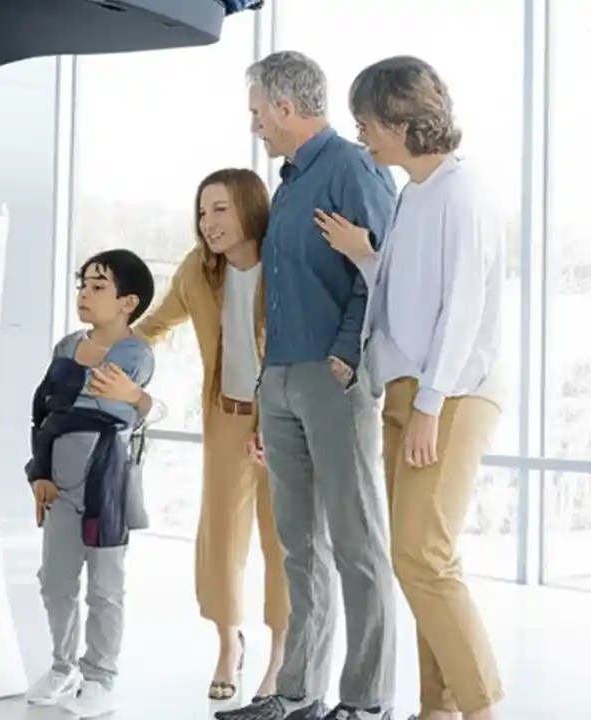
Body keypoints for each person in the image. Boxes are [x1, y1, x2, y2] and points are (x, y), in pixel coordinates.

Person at [316, 55, 506, 720]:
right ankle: (439, 707)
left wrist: (428, 406)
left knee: (422, 555)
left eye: (367, 122)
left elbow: (463, 307)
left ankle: (479, 706)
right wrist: (365, 253)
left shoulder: (462, 190)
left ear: (402, 121)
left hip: (449, 391)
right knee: (416, 560)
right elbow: (403, 293)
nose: (362, 133)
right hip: (406, 388)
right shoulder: (414, 192)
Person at [217, 50, 400, 720]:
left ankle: (365, 700)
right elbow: (284, 291)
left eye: (258, 112)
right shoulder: (291, 182)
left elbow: (382, 270)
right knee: (299, 548)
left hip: (331, 379)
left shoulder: (354, 168)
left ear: (286, 107)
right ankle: (295, 694)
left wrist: (345, 355)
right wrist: (270, 390)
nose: (256, 125)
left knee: (356, 545)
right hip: (283, 382)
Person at [88, 168, 290, 703]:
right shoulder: (198, 272)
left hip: (286, 419)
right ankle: (228, 643)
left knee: (284, 541)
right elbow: (156, 325)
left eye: (220, 209)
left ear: (250, 207)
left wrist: (275, 420)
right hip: (226, 418)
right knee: (221, 538)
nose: (208, 222)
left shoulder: (284, 266)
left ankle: (282, 656)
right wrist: (119, 357)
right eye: (203, 212)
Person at [23, 249, 156, 719]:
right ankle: (63, 666)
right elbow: (44, 410)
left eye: (99, 286)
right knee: (55, 580)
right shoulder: (65, 346)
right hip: (57, 482)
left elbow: (109, 408)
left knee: (104, 586)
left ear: (128, 301)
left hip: (106, 482)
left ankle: (100, 674)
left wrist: (118, 399)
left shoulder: (136, 353)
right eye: (83, 283)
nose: (85, 293)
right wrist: (38, 471)